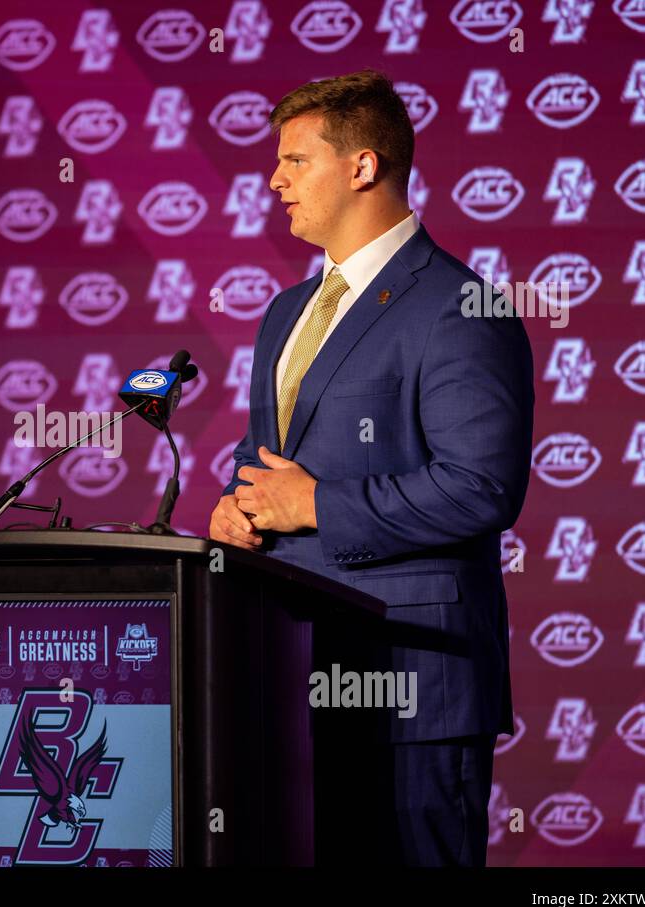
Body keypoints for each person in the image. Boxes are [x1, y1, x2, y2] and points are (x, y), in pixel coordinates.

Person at [209, 70, 534, 866]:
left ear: (361, 167)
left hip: (415, 678)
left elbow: (481, 486)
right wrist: (238, 504)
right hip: (293, 675)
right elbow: (270, 459)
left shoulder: (459, 305)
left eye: (294, 160)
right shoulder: (288, 310)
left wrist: (316, 506)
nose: (274, 180)